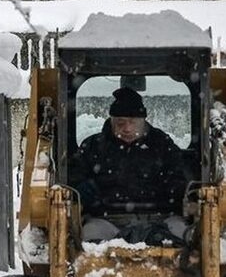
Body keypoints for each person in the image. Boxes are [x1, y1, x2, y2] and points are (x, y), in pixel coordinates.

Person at [69, 87, 190, 245]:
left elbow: (181, 178)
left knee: (186, 239)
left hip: (162, 219)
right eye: (121, 123)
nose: (127, 129)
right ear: (111, 121)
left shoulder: (162, 144)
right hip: (106, 220)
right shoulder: (93, 146)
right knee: (88, 242)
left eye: (133, 122)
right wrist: (85, 190)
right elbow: (74, 181)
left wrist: (175, 190)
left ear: (143, 120)